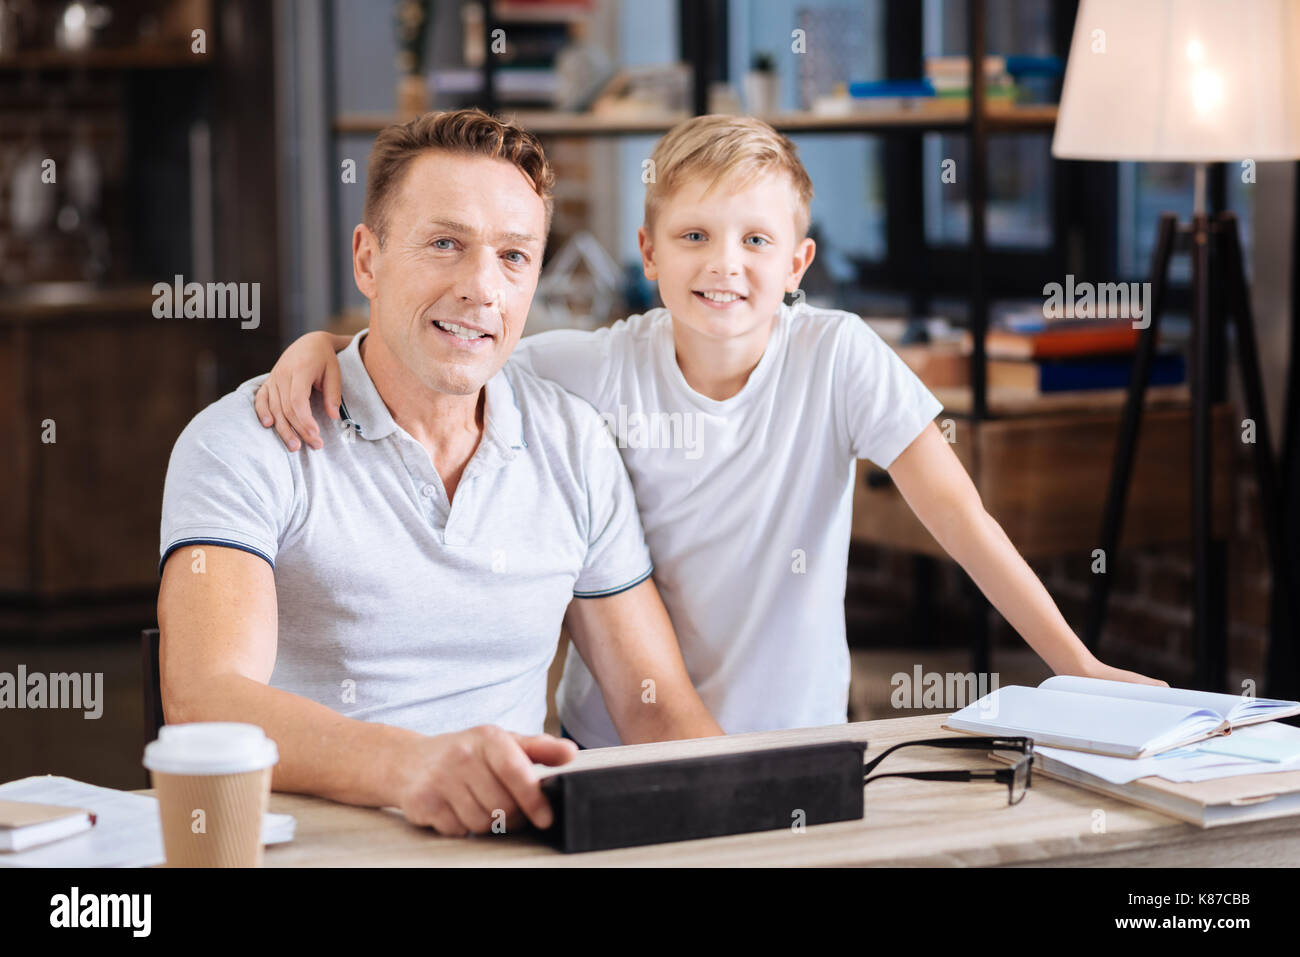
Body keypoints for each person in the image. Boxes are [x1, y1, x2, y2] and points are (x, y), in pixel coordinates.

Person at [253, 113, 1166, 752]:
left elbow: (965, 523)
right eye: (692, 235)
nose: (724, 265)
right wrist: (327, 344)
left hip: (796, 740)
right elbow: (441, 346)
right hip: (618, 742)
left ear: (798, 262)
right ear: (648, 253)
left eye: (756, 241)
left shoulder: (839, 357)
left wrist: (1078, 667)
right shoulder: (598, 365)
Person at [157, 109, 723, 837]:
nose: (481, 288)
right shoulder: (246, 441)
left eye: (514, 256)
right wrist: (410, 766)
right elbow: (206, 699)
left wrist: (760, 820)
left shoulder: (574, 444)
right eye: (445, 244)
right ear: (368, 259)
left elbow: (654, 707)